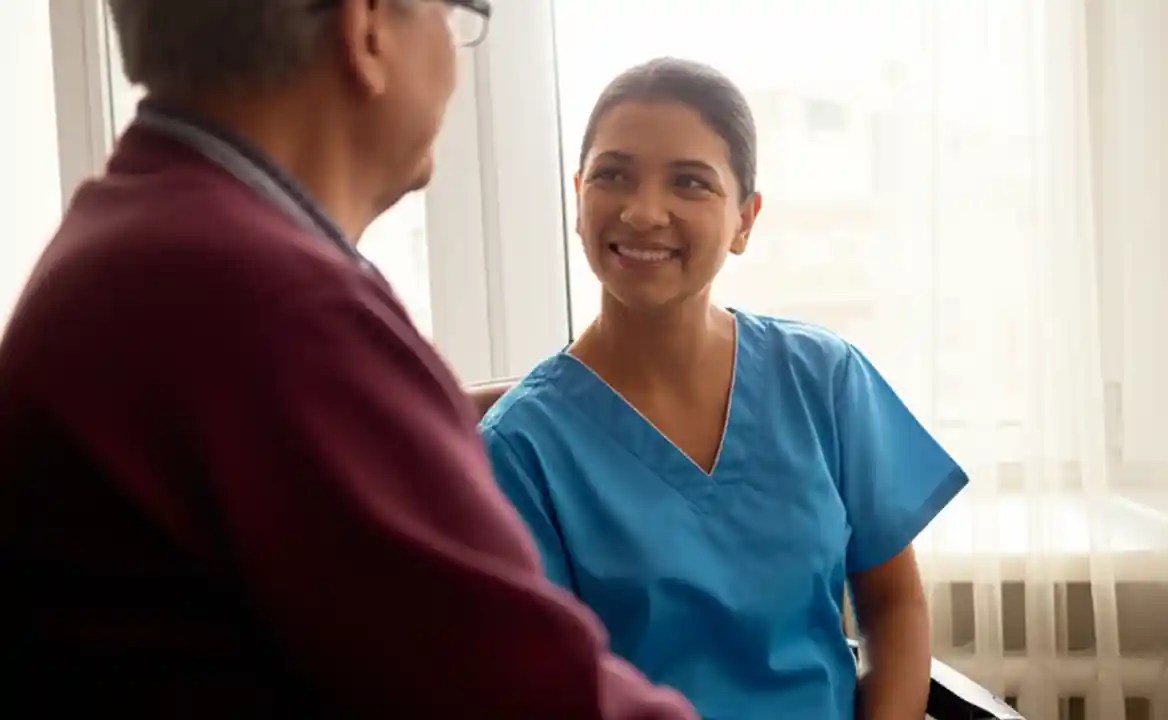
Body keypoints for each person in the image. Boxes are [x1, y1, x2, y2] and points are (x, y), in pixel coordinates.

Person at [0, 2, 696, 717]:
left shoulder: (141, 239)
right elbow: (534, 695)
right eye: (454, 12)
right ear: (366, 30)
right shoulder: (269, 302)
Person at [480, 58, 969, 720]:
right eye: (612, 175)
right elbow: (550, 688)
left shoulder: (822, 379)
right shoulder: (519, 450)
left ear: (745, 219)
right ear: (578, 198)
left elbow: (894, 604)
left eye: (689, 182)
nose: (643, 211)